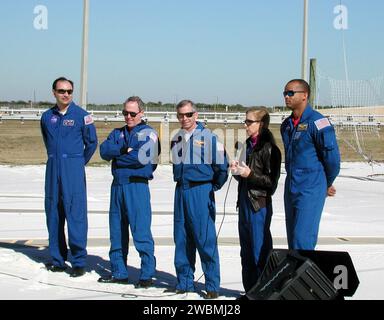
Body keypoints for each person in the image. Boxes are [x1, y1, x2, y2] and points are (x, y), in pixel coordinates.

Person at [169, 100, 228, 299]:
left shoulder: (210, 138)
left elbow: (222, 167)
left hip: (200, 191)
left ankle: (212, 285)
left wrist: (213, 186)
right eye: (180, 115)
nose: (184, 119)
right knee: (182, 238)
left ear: (196, 115)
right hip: (181, 191)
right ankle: (185, 281)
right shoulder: (176, 138)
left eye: (188, 115)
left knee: (205, 238)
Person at [98, 96, 160, 288]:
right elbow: (104, 151)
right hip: (117, 186)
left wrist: (118, 157)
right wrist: (124, 150)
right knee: (116, 231)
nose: (128, 117)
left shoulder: (148, 133)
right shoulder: (117, 132)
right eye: (125, 113)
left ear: (141, 113)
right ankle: (119, 272)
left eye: (133, 113)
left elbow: (140, 158)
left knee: (140, 232)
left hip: (137, 187)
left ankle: (147, 274)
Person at [40, 77, 98, 277]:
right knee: (54, 213)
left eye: (69, 91)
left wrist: (78, 162)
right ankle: (57, 258)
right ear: (54, 92)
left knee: (76, 215)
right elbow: (47, 140)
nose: (66, 94)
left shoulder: (83, 116)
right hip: (53, 168)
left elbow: (91, 143)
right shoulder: (47, 116)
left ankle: (79, 261)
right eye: (62, 91)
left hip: (73, 169)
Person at [280, 79, 340, 250]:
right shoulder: (286, 125)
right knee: (292, 239)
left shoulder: (319, 123)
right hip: (291, 187)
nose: (286, 96)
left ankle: (306, 276)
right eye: (285, 93)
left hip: (310, 188)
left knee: (302, 240)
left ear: (304, 95)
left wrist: (325, 184)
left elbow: (333, 161)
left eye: (291, 93)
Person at [230, 107, 281, 292]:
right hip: (244, 202)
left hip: (258, 205)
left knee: (260, 251)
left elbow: (271, 184)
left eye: (249, 122)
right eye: (245, 121)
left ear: (261, 124)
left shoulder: (271, 149)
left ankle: (264, 291)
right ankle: (250, 291)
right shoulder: (246, 145)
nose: (245, 125)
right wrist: (237, 171)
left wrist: (250, 174)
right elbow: (243, 177)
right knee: (246, 252)